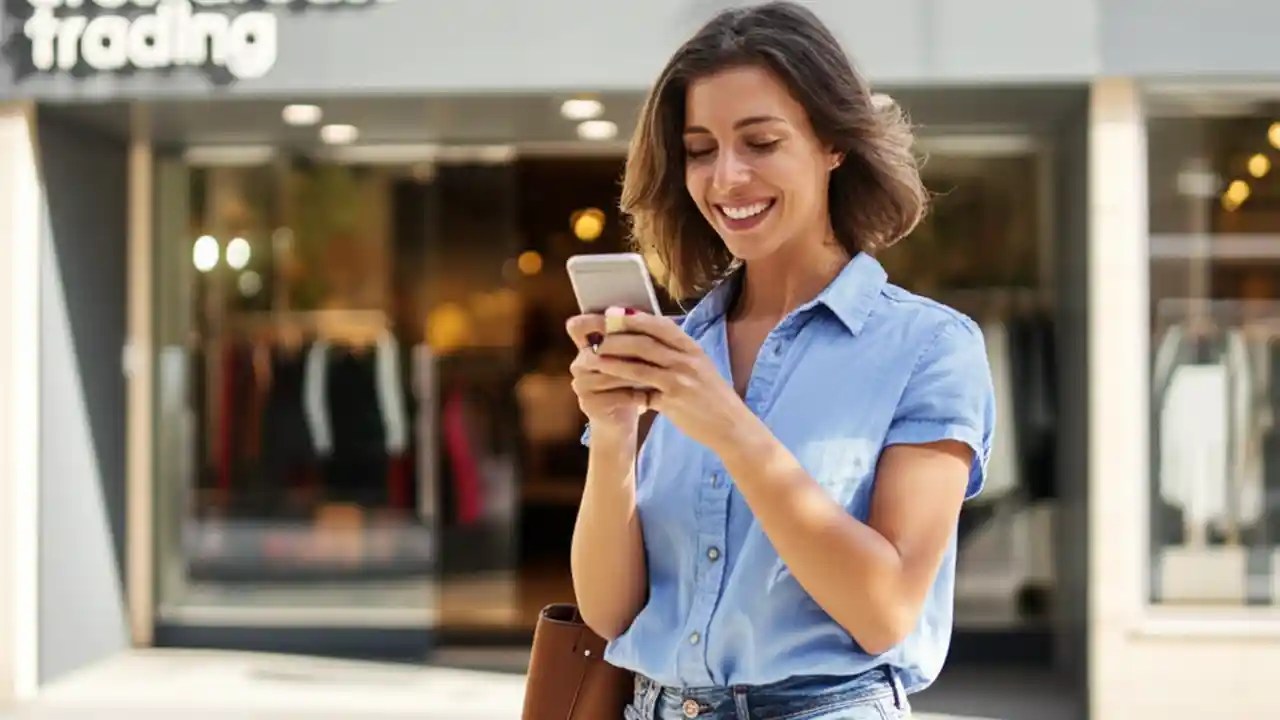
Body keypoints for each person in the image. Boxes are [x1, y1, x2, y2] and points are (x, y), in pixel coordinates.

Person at [565, 3, 996, 718]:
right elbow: (611, 614)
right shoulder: (677, 353)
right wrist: (612, 434)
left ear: (833, 144)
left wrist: (729, 426)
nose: (727, 177)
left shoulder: (930, 350)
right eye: (700, 150)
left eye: (760, 142)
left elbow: (884, 609)